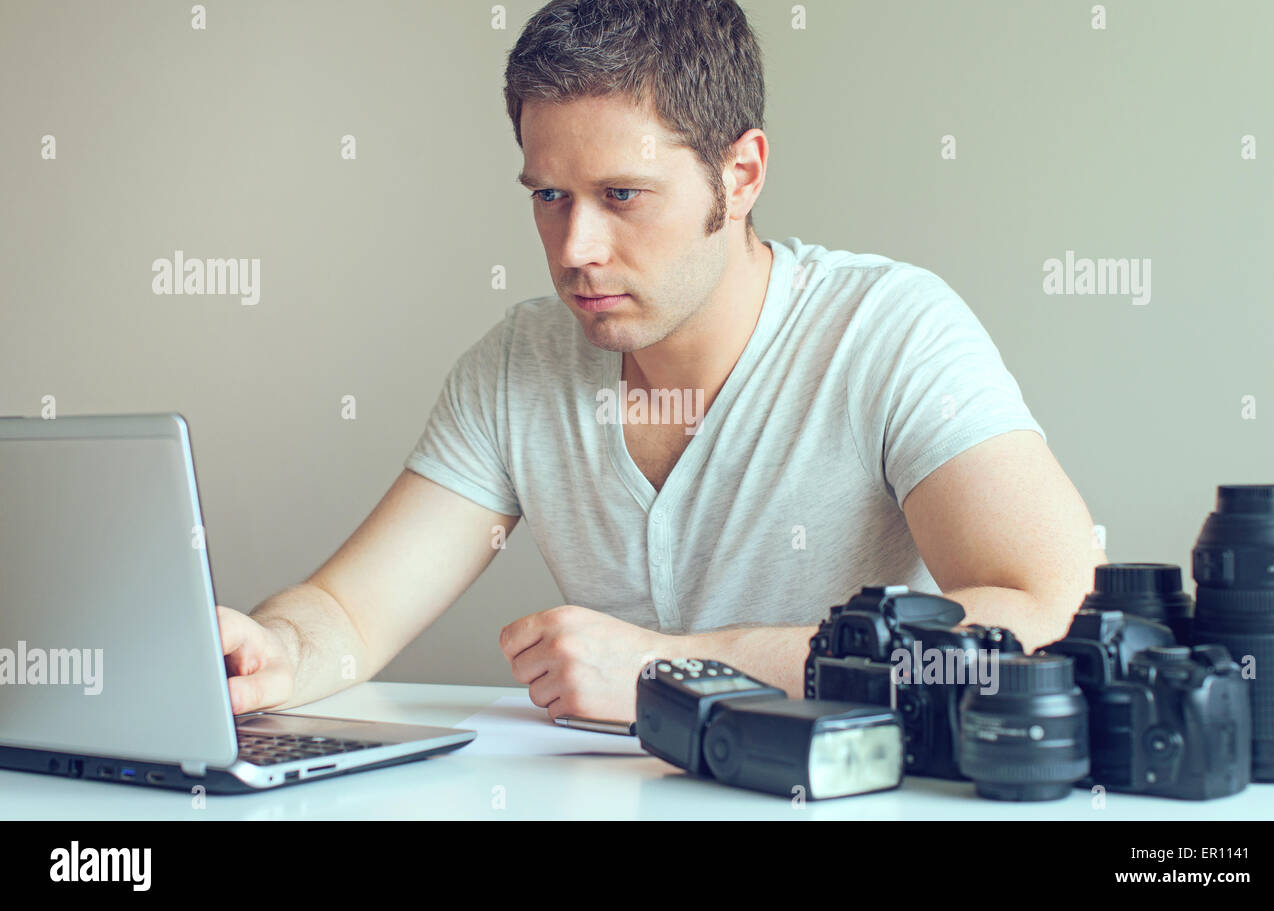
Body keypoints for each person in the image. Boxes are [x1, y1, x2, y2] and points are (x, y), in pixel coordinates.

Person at [219, 0, 1105, 725]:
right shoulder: (519, 365)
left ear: (742, 173)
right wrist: (271, 653)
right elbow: (349, 614)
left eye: (623, 196)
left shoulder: (891, 331)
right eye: (552, 198)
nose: (577, 248)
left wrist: (675, 667)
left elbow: (1049, 619)